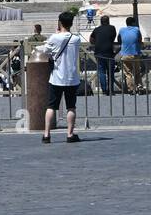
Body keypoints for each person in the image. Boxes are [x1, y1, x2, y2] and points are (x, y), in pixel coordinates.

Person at [38, 12, 82, 145]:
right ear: (71, 23)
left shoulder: (54, 38)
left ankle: (46, 134)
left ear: (60, 23)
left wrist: (56, 34)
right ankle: (70, 134)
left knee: (51, 106)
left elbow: (45, 50)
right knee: (71, 107)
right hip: (72, 78)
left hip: (57, 77)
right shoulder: (76, 39)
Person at [89, 14, 118, 95]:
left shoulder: (96, 29)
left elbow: (91, 40)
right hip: (109, 53)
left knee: (101, 72)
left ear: (101, 22)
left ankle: (104, 90)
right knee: (110, 72)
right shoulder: (112, 28)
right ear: (108, 21)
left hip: (98, 53)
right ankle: (111, 90)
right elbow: (113, 37)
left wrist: (97, 42)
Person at [117, 16, 144, 93]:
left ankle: (131, 89)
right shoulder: (136, 29)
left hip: (125, 54)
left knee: (128, 74)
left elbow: (119, 40)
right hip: (135, 54)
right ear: (133, 23)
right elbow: (139, 39)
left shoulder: (122, 30)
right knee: (137, 72)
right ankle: (139, 87)